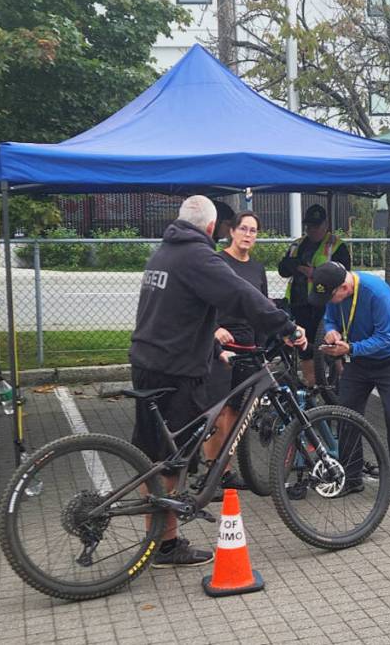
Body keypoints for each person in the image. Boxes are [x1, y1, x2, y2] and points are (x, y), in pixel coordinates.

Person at [129, 196, 306, 567]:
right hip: (173, 369)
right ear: (212, 228)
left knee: (156, 454)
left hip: (148, 360)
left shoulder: (164, 252)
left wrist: (211, 345)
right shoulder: (197, 256)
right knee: (172, 460)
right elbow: (242, 294)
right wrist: (285, 326)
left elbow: (178, 312)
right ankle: (164, 544)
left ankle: (158, 539)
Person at [309, 261, 390, 501]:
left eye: (331, 296)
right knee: (346, 414)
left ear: (343, 288)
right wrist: (332, 331)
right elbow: (331, 318)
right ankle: (351, 477)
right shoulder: (334, 295)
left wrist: (352, 348)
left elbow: (385, 337)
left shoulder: (376, 292)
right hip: (358, 360)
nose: (329, 302)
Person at [206, 211, 268, 490]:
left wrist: (264, 344)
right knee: (216, 413)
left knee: (235, 413)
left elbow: (262, 307)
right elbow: (202, 302)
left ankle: (226, 470)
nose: (247, 234)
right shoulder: (217, 261)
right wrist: (214, 329)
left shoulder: (257, 268)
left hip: (248, 348)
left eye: (253, 230)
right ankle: (210, 473)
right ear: (231, 231)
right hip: (221, 348)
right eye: (243, 228)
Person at [278, 203, 350, 386]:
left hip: (326, 304)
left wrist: (314, 272)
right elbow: (283, 268)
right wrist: (297, 267)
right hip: (300, 303)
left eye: (316, 226)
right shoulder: (298, 244)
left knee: (332, 343)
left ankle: (342, 382)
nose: (312, 230)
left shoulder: (336, 245)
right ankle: (312, 386)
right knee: (305, 347)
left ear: (325, 225)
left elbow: (344, 274)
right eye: (309, 226)